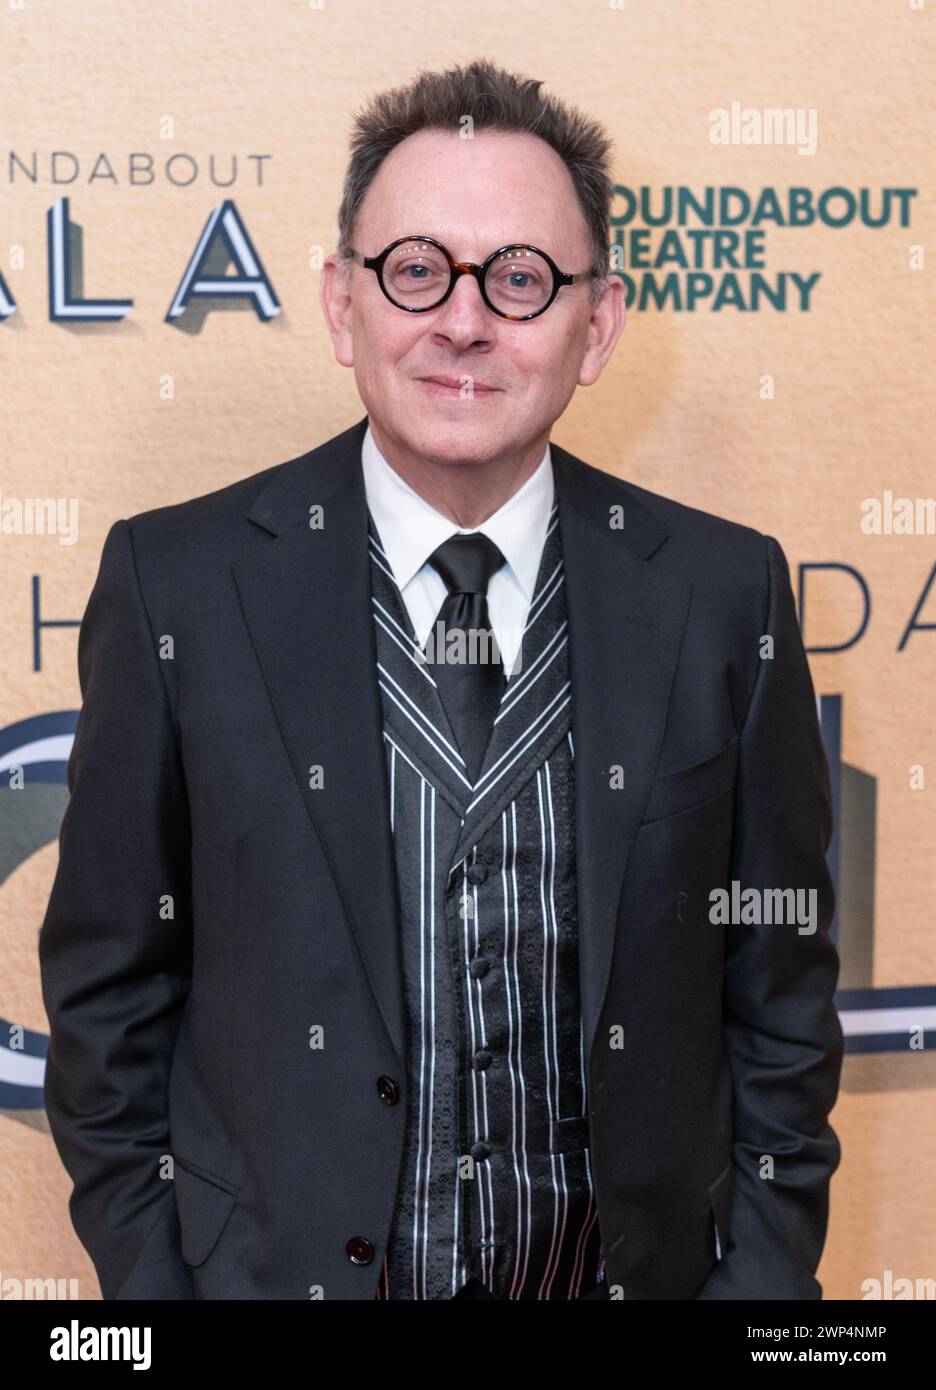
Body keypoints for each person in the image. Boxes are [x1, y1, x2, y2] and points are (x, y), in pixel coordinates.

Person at [39, 58, 843, 1301]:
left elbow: (778, 982)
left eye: (521, 279)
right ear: (342, 302)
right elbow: (108, 988)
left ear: (599, 324)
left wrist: (763, 1287)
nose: (463, 322)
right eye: (415, 269)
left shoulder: (724, 593)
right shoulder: (179, 587)